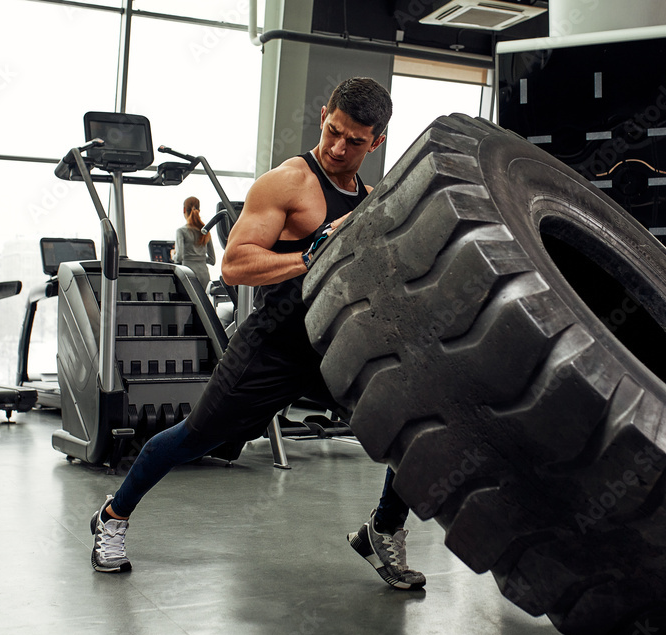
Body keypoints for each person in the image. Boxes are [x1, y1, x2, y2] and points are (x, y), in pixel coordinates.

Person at [90, 77, 425, 591]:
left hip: (337, 346)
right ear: (323, 115)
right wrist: (312, 254)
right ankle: (113, 514)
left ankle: (382, 529)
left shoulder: (371, 201)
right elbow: (235, 264)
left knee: (413, 427)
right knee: (196, 438)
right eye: (333, 131)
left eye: (354, 141)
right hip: (275, 345)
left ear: (376, 142)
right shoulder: (287, 182)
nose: (338, 147)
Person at [174, 196, 216, 290]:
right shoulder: (205, 231)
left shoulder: (181, 231)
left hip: (188, 274)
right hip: (204, 275)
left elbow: (179, 257)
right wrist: (199, 258)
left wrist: (173, 255)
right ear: (199, 210)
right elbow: (212, 260)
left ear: (184, 210)